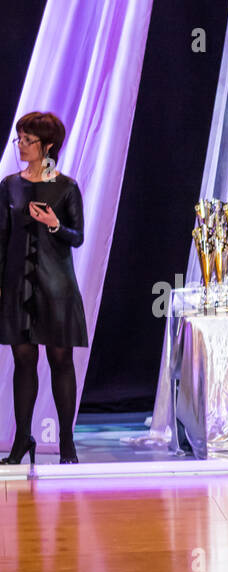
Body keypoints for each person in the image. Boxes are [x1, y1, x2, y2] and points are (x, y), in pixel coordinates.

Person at [0, 111, 87, 465]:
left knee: (60, 359)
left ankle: (67, 443)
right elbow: (2, 238)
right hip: (17, 285)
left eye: (28, 140)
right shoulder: (9, 185)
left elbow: (77, 237)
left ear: (48, 146)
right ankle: (22, 439)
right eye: (19, 139)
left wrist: (54, 224)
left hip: (56, 286)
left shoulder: (66, 187)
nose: (21, 145)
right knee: (23, 360)